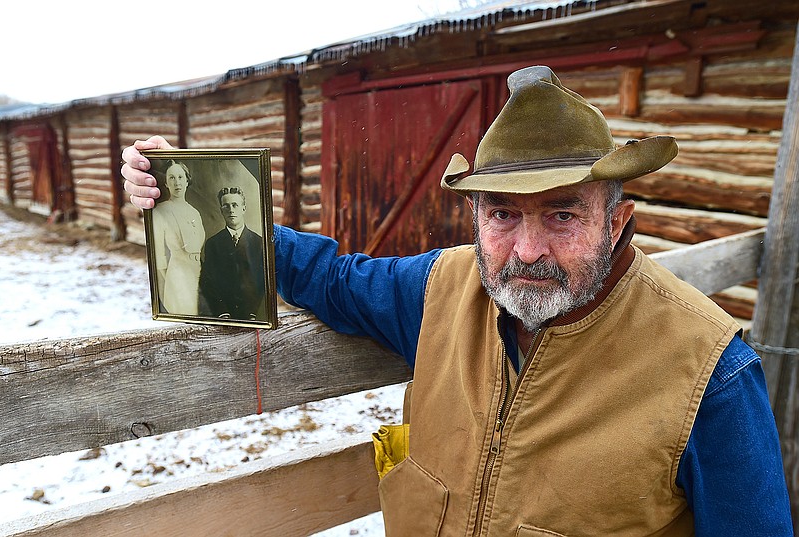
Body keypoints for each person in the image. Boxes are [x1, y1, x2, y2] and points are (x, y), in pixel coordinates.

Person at [122, 66, 792, 535]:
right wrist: (190, 193)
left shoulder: (710, 377)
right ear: (476, 217)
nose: (526, 250)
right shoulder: (441, 289)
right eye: (502, 214)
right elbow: (331, 277)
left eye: (562, 216)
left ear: (617, 221)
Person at [198, 186, 266, 320]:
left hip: (252, 315)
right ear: (221, 210)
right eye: (226, 206)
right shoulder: (213, 243)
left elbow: (262, 282)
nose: (231, 210)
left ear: (243, 208)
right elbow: (208, 282)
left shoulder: (258, 242)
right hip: (223, 315)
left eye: (235, 205)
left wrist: (253, 313)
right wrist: (222, 312)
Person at [151, 159, 205, 315]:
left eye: (180, 177)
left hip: (198, 272)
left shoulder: (194, 212)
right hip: (178, 274)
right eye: (172, 178)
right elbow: (158, 252)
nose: (177, 183)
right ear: (166, 183)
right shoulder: (161, 211)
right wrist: (170, 280)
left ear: (187, 181)